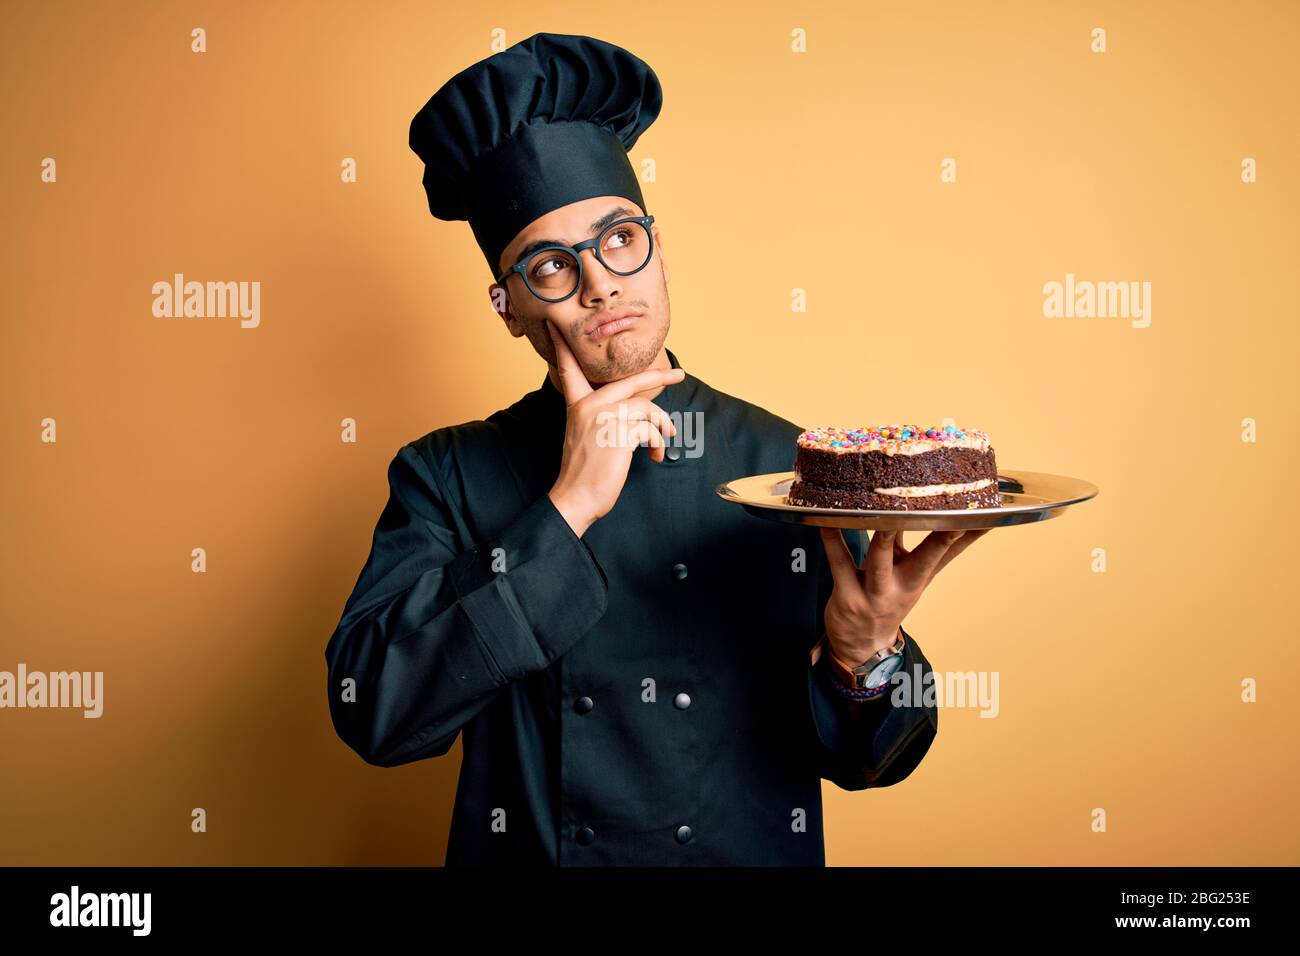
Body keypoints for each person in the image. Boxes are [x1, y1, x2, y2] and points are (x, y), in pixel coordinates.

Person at [324, 32, 989, 866]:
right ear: (511, 307)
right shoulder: (446, 474)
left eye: (619, 240)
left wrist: (866, 656)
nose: (600, 282)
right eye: (550, 267)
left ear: (657, 247)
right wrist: (566, 508)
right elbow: (371, 714)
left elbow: (874, 762)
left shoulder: (785, 463)